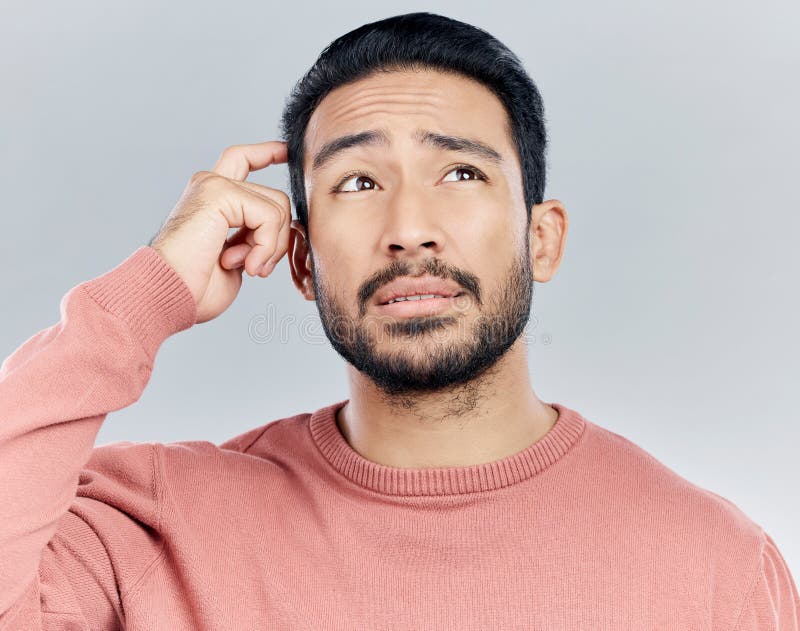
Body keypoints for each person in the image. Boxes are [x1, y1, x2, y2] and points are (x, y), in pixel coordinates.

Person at [1, 11, 796, 630]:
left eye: (459, 171)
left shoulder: (717, 566)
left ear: (542, 236)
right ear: (304, 263)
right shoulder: (151, 526)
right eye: (356, 182)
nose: (410, 227)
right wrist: (144, 296)